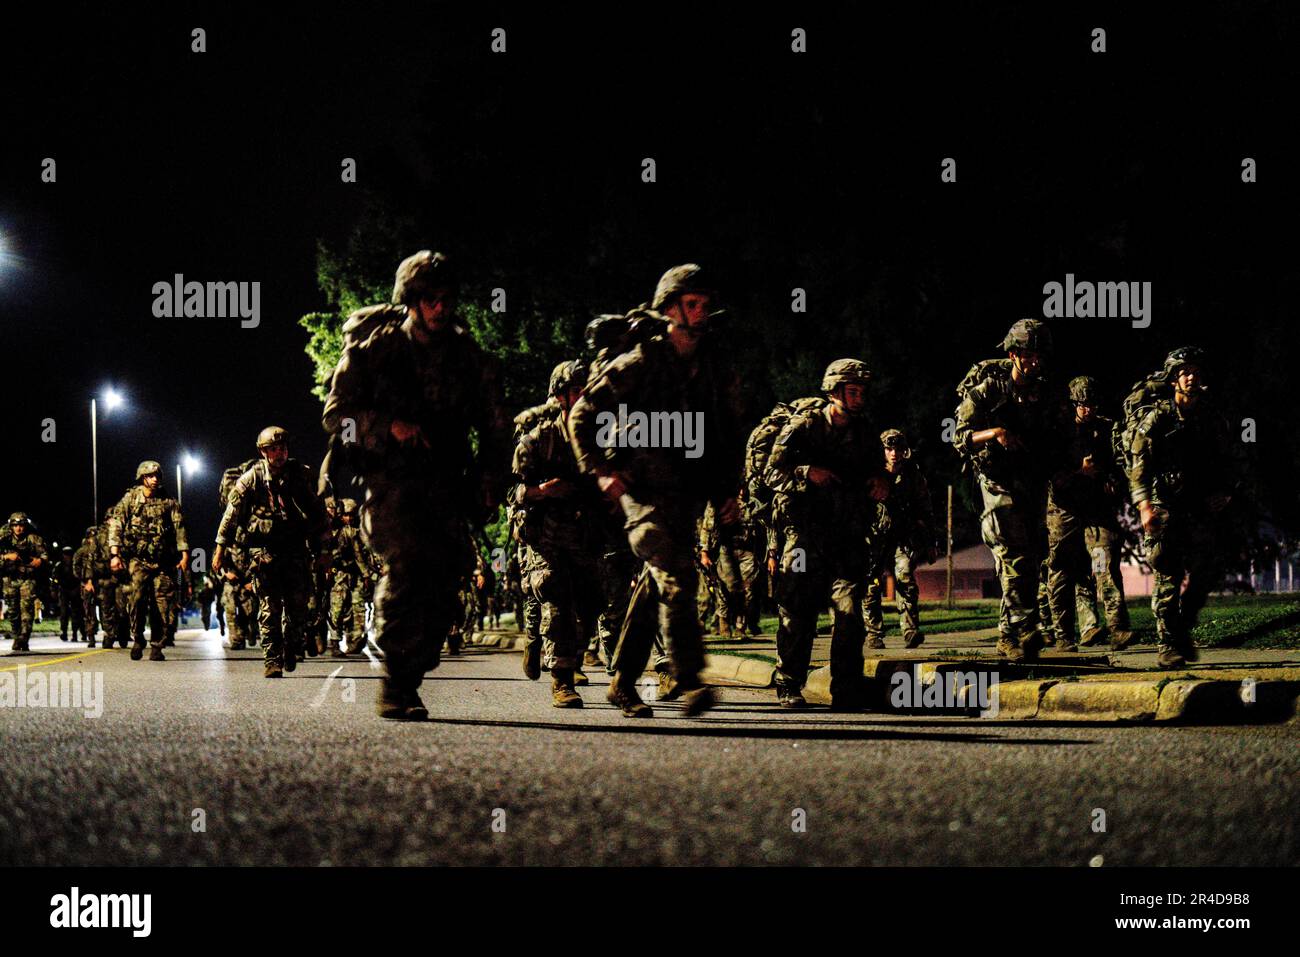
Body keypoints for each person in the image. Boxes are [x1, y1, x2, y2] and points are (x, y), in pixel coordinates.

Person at [322, 250, 510, 719]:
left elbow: (495, 426)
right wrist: (387, 426)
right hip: (391, 481)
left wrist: (491, 477)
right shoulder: (376, 352)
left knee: (446, 583)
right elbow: (335, 417)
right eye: (430, 298)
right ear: (410, 301)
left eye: (447, 299)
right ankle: (396, 678)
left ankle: (410, 672)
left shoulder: (468, 357)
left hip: (446, 481)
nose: (440, 307)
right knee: (407, 565)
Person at [569, 264, 745, 718]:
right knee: (677, 577)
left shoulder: (714, 366)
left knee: (655, 588)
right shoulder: (641, 362)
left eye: (706, 304)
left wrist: (729, 492)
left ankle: (622, 684)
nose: (702, 313)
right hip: (641, 494)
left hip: (687, 495)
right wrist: (601, 471)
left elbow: (727, 433)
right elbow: (582, 416)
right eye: (692, 304)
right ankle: (689, 678)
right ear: (670, 310)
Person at [766, 360, 888, 709]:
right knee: (797, 612)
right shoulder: (804, 426)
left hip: (847, 536)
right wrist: (806, 472)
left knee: (850, 612)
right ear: (834, 391)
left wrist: (881, 482)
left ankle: (846, 688)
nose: (860, 398)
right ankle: (789, 683)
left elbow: (877, 471)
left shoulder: (865, 432)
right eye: (853, 391)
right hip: (804, 536)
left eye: (863, 392)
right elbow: (770, 473)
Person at [953, 320, 1069, 661]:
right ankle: (1026, 627)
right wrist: (996, 433)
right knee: (1012, 554)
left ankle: (1007, 635)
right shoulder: (989, 388)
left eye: (1039, 356)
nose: (1035, 362)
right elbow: (959, 437)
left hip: (1030, 482)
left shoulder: (1045, 393)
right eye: (1029, 355)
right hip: (996, 484)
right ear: (1014, 354)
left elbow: (1060, 437)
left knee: (1030, 558)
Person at [1123, 347, 1245, 667]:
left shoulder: (1211, 417)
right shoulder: (1159, 416)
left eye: (1195, 372)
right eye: (1184, 372)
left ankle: (1182, 624)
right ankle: (1168, 645)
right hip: (1164, 503)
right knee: (1168, 571)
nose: (1191, 377)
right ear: (1173, 379)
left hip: (1199, 504)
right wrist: (1144, 506)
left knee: (1210, 566)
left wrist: (1227, 492)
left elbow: (1231, 459)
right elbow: (1138, 461)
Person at [512, 359, 604, 707]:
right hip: (546, 531)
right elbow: (514, 493)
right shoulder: (539, 439)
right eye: (575, 391)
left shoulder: (601, 434)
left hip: (584, 531)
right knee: (556, 595)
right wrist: (541, 491)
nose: (582, 398)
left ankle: (549, 646)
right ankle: (562, 680)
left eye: (586, 390)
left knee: (590, 601)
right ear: (560, 396)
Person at [214, 427, 330, 678]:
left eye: (283, 448)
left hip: (295, 550)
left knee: (299, 608)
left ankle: (291, 646)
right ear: (263, 452)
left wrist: (323, 550)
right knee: (269, 607)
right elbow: (231, 515)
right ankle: (272, 659)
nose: (280, 453)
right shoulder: (251, 478)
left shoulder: (299, 476)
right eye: (274, 449)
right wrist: (220, 548)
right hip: (263, 551)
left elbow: (317, 514)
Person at [1045, 376, 1133, 651]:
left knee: (1104, 563)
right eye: (1083, 404)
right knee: (1061, 570)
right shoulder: (1058, 432)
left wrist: (1112, 481)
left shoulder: (1107, 430)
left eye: (1092, 404)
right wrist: (1078, 473)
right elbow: (1049, 475)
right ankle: (1064, 636)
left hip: (1096, 509)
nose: (1088, 409)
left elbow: (1122, 465)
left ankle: (1117, 628)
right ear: (1074, 404)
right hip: (1064, 508)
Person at [863, 429, 936, 650]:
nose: (893, 453)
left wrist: (930, 542)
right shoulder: (872, 474)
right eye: (889, 448)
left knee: (904, 578)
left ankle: (910, 631)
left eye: (898, 449)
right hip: (875, 536)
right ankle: (874, 633)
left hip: (903, 536)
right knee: (871, 585)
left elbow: (925, 508)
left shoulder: (912, 475)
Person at [107, 463, 188, 661]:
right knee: (137, 599)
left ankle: (157, 646)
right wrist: (114, 553)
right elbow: (117, 523)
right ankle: (138, 638)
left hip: (163, 562)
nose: (154, 479)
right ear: (142, 478)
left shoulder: (169, 502)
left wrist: (184, 554)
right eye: (150, 475)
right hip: (138, 560)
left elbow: (180, 528)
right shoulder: (131, 499)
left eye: (157, 475)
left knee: (162, 603)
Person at [1, 512, 49, 651]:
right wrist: (6, 557)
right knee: (13, 611)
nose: (18, 528)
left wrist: (39, 561)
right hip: (9, 579)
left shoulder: (33, 539)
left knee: (26, 611)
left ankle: (23, 637)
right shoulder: (4, 539)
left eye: (21, 525)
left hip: (27, 579)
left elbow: (45, 557)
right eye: (15, 525)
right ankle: (17, 636)